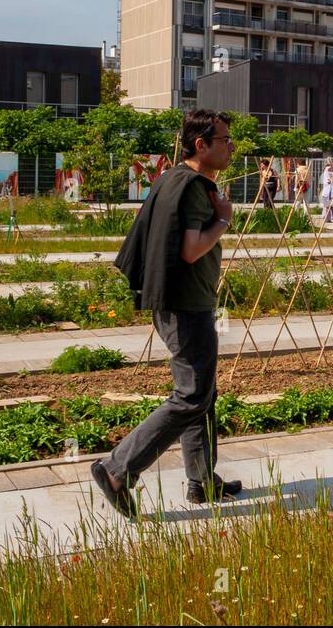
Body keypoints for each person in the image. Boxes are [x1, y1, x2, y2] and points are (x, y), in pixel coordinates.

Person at [102, 109, 242, 516]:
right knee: (192, 395)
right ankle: (118, 469)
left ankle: (202, 482)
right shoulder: (195, 186)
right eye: (225, 140)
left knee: (203, 394)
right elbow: (192, 248)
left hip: (179, 302)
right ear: (202, 145)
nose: (231, 146)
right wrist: (224, 219)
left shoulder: (170, 178)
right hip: (186, 306)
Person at [321, 159, 333, 223]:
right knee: (330, 204)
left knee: (328, 205)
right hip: (329, 190)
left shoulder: (328, 169)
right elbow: (329, 180)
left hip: (330, 189)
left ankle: (329, 218)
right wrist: (331, 180)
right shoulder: (328, 168)